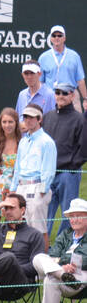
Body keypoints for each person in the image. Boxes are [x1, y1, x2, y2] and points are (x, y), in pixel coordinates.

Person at [30, 197, 87, 303]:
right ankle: (60, 274)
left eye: (78, 216)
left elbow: (84, 258)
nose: (74, 220)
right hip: (63, 274)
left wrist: (65, 263)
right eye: (71, 217)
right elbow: (53, 254)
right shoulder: (66, 234)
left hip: (82, 276)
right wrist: (62, 268)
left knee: (50, 279)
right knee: (39, 258)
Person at [10, 104, 58, 243]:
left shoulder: (47, 142)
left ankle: (41, 261)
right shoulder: (24, 141)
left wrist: (42, 191)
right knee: (19, 226)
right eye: (25, 117)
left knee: (39, 229)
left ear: (39, 119)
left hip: (37, 186)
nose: (28, 120)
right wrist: (13, 189)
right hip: (21, 187)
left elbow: (49, 170)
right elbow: (17, 167)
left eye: (31, 117)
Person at [44, 83, 86, 239]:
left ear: (72, 96)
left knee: (68, 213)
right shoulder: (48, 116)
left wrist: (72, 166)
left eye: (65, 93)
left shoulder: (79, 119)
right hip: (48, 173)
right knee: (44, 212)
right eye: (57, 92)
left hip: (68, 173)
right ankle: (42, 244)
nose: (60, 95)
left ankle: (62, 245)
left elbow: (84, 149)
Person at [38, 24, 87, 111]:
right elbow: (40, 82)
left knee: (76, 122)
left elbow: (80, 80)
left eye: (60, 35)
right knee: (49, 122)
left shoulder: (74, 56)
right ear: (51, 38)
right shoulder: (43, 57)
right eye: (54, 35)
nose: (57, 38)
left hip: (71, 95)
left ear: (64, 38)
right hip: (51, 96)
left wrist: (85, 98)